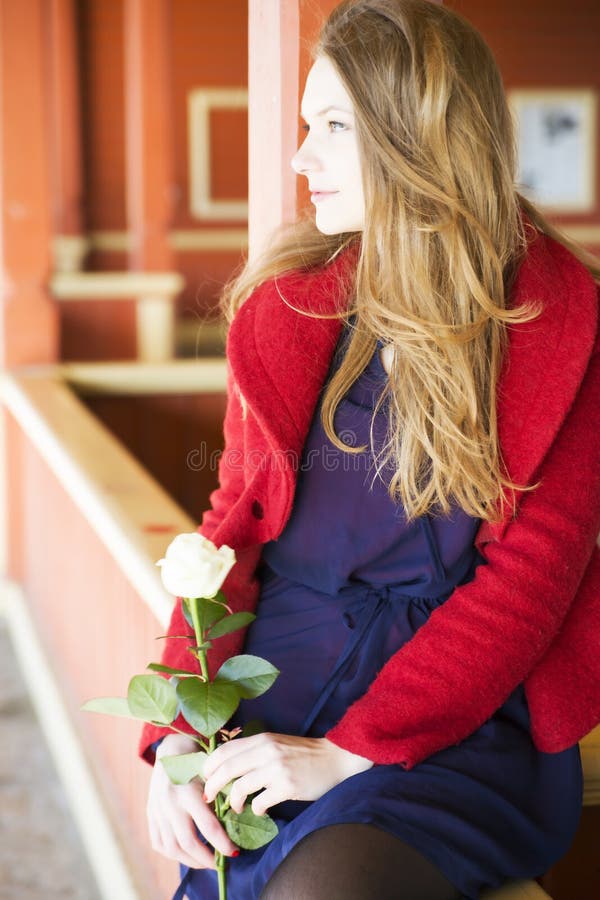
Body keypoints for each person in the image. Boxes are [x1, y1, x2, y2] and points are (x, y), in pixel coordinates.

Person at [140, 1, 600, 898]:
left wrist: (350, 751)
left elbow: (532, 580)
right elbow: (229, 535)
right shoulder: (292, 307)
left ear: (421, 133)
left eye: (334, 126)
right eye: (305, 125)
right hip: (271, 689)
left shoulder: (559, 322)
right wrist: (177, 730)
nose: (300, 156)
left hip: (453, 721)